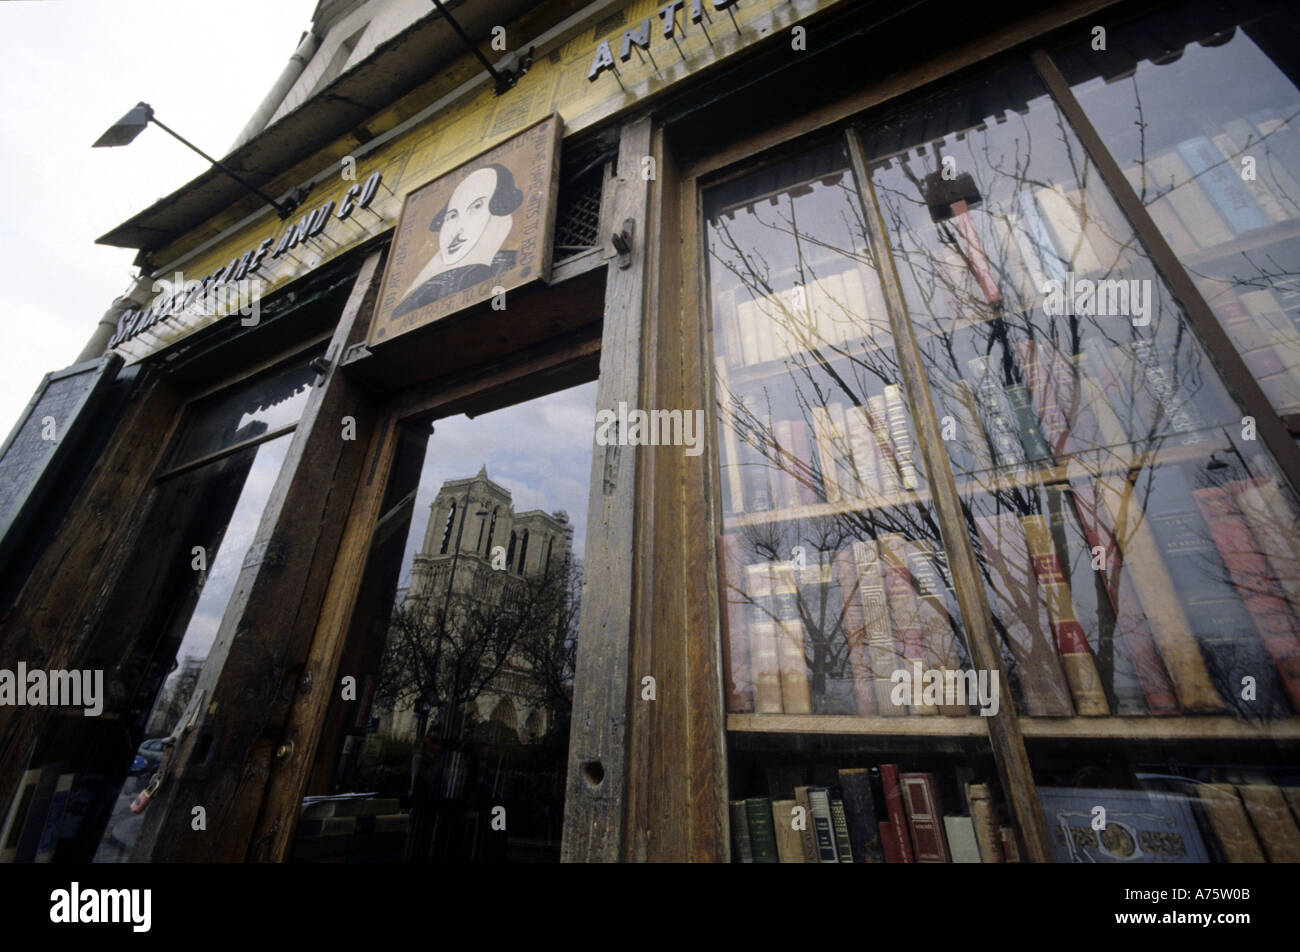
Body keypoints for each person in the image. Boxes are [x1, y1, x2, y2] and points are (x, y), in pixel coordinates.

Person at [392, 163, 524, 318]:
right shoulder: (425, 292)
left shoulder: (514, 263)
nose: (458, 229)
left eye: (476, 207)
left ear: (499, 211)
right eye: (452, 216)